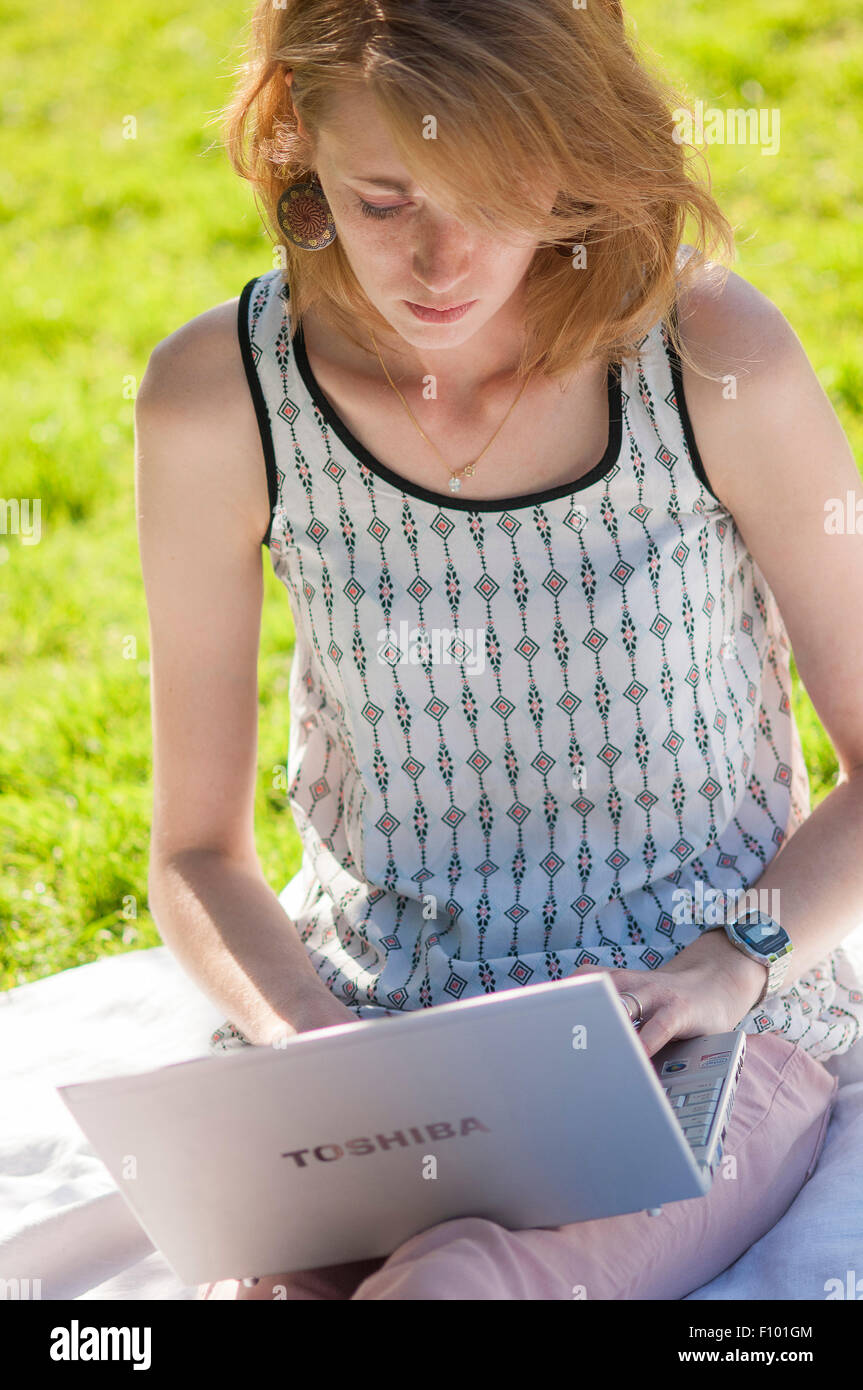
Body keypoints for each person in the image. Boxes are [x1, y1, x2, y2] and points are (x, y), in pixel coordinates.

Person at [134, 0, 863, 1300]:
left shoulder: (711, 363)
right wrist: (315, 1047)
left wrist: (723, 965)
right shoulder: (217, 398)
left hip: (687, 1026)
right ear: (298, 144)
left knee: (459, 1284)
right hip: (371, 1026)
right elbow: (194, 851)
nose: (441, 258)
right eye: (384, 198)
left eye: (498, 191)